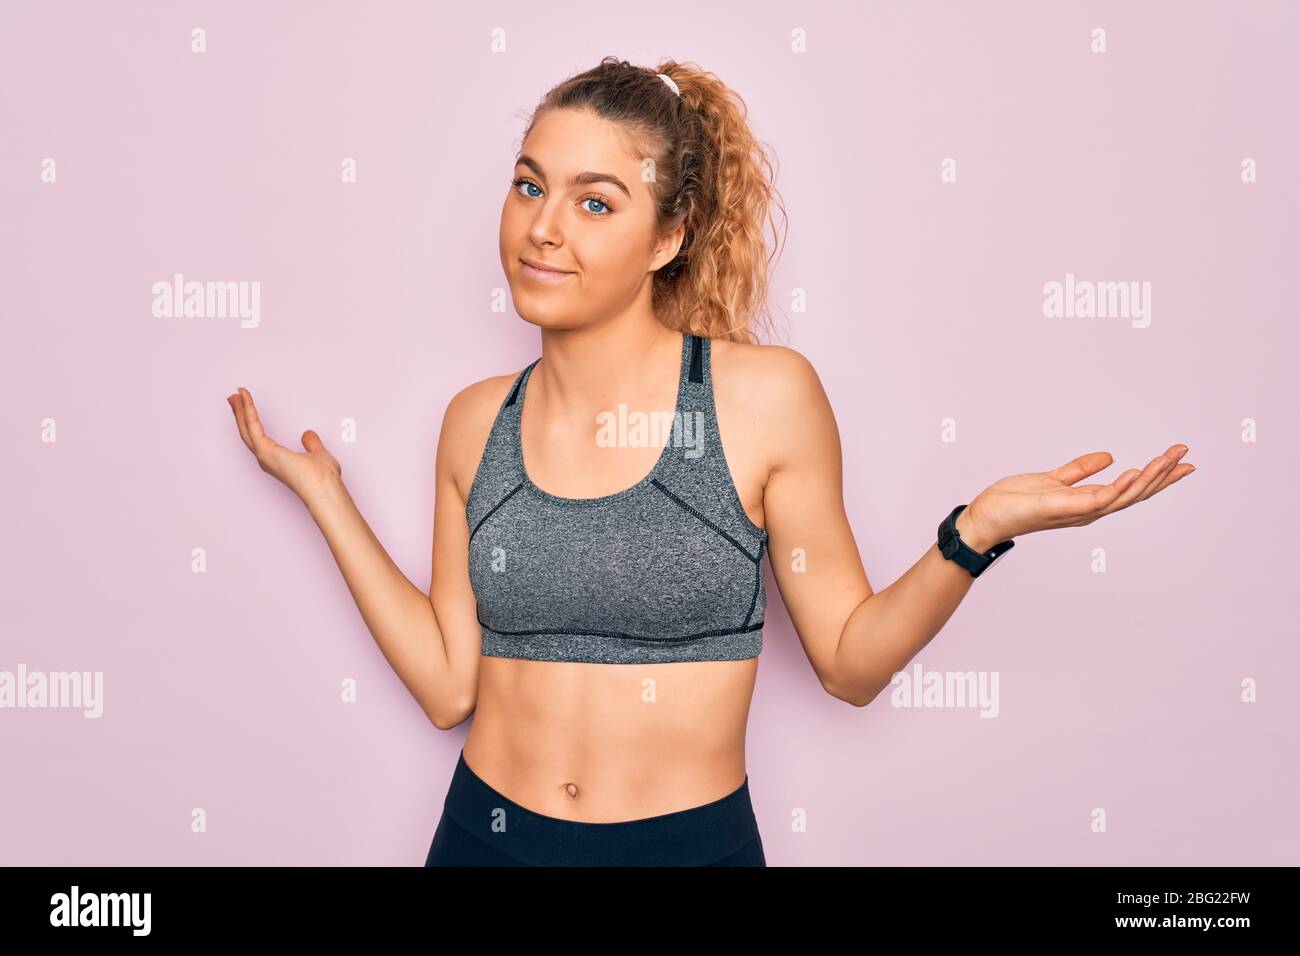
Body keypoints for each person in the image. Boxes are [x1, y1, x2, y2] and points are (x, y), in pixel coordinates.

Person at [225, 57, 1195, 867]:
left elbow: (850, 666)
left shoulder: (761, 399)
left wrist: (974, 532)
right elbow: (447, 686)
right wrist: (327, 501)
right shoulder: (475, 420)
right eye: (529, 185)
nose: (542, 228)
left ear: (670, 235)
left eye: (594, 201)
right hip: (484, 835)